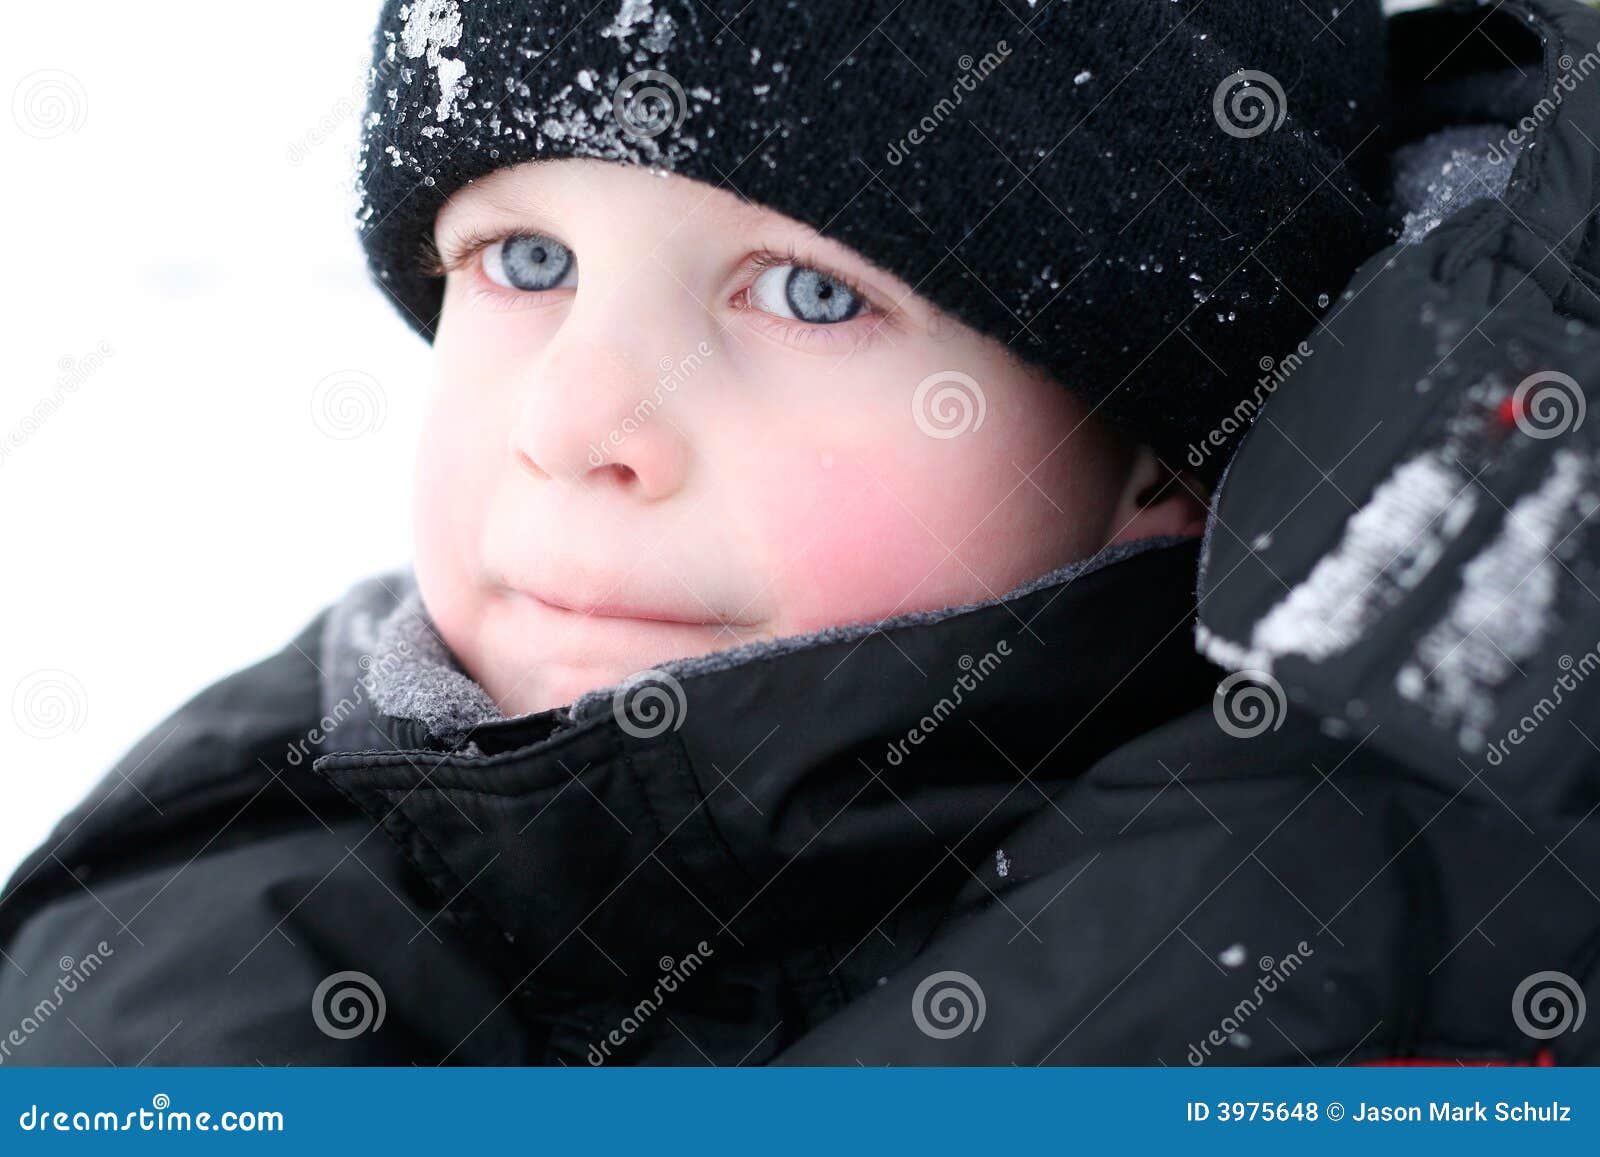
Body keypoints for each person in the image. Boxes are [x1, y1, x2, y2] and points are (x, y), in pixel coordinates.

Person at [1, 0, 1594, 1065]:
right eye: (526, 263)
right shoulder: (197, 909)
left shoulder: (1372, 970)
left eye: (813, 293)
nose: (577, 421)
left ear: (1157, 454)